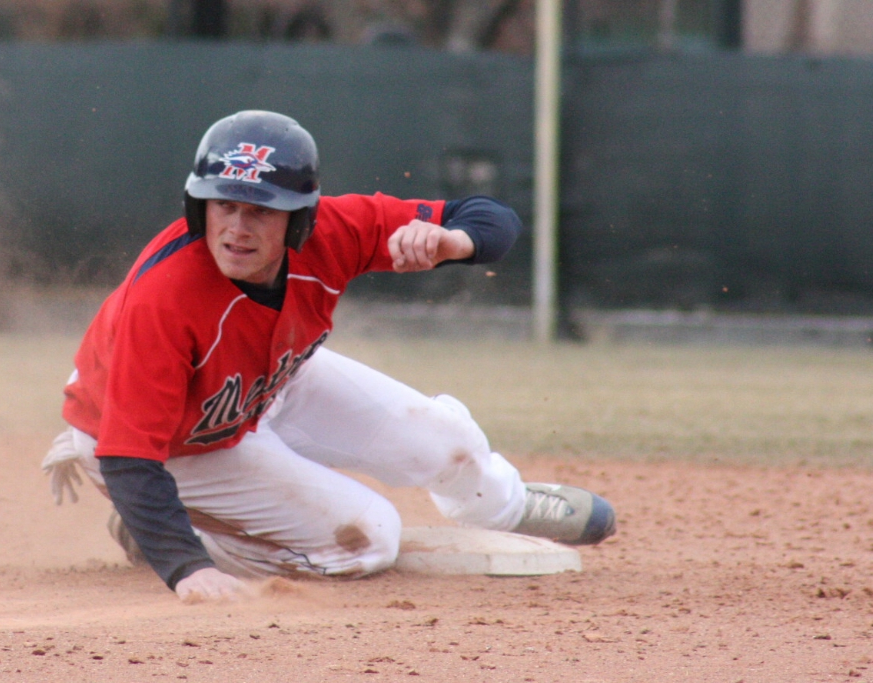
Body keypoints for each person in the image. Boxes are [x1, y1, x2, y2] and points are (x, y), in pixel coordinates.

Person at [41, 110, 616, 603]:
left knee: (446, 439)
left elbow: (493, 217)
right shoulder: (165, 299)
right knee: (368, 539)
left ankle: (506, 507)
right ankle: (168, 534)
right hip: (165, 448)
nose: (238, 228)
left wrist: (454, 242)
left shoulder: (336, 232)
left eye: (261, 210)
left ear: (301, 216)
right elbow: (130, 456)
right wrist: (188, 568)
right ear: (199, 207)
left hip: (263, 387)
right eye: (224, 205)